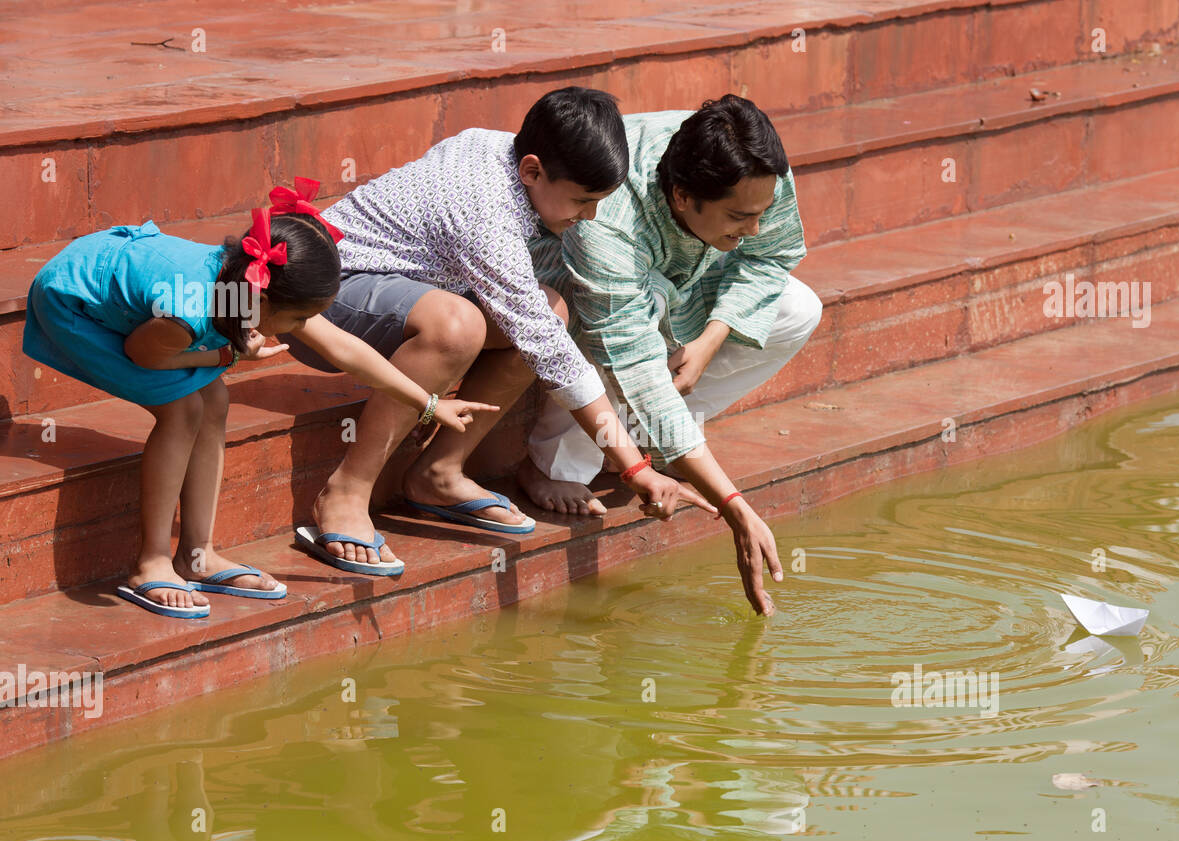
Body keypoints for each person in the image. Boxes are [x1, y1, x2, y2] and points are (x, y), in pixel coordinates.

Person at [286, 87, 705, 575]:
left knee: (548, 310)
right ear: (532, 171)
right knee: (461, 326)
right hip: (323, 305)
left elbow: (540, 329)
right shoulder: (484, 209)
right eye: (583, 201)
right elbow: (551, 354)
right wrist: (634, 466)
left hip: (404, 294)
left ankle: (438, 472)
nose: (587, 217)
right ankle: (346, 492)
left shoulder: (507, 156)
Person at [22, 183, 490, 617]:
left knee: (215, 401)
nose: (306, 325)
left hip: (133, 300)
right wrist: (225, 353)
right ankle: (151, 563)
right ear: (263, 305)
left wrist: (431, 403)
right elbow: (143, 351)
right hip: (75, 303)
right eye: (301, 317)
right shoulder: (192, 308)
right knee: (183, 410)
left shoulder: (253, 287)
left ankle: (196, 555)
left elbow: (350, 352)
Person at [524, 95, 823, 616]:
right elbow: (629, 355)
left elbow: (772, 254)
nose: (753, 228)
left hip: (686, 287)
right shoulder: (603, 220)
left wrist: (710, 339)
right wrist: (735, 505)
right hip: (579, 286)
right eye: (738, 217)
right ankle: (554, 464)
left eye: (759, 213)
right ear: (682, 198)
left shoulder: (755, 165)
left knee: (798, 307)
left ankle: (658, 447)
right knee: (602, 330)